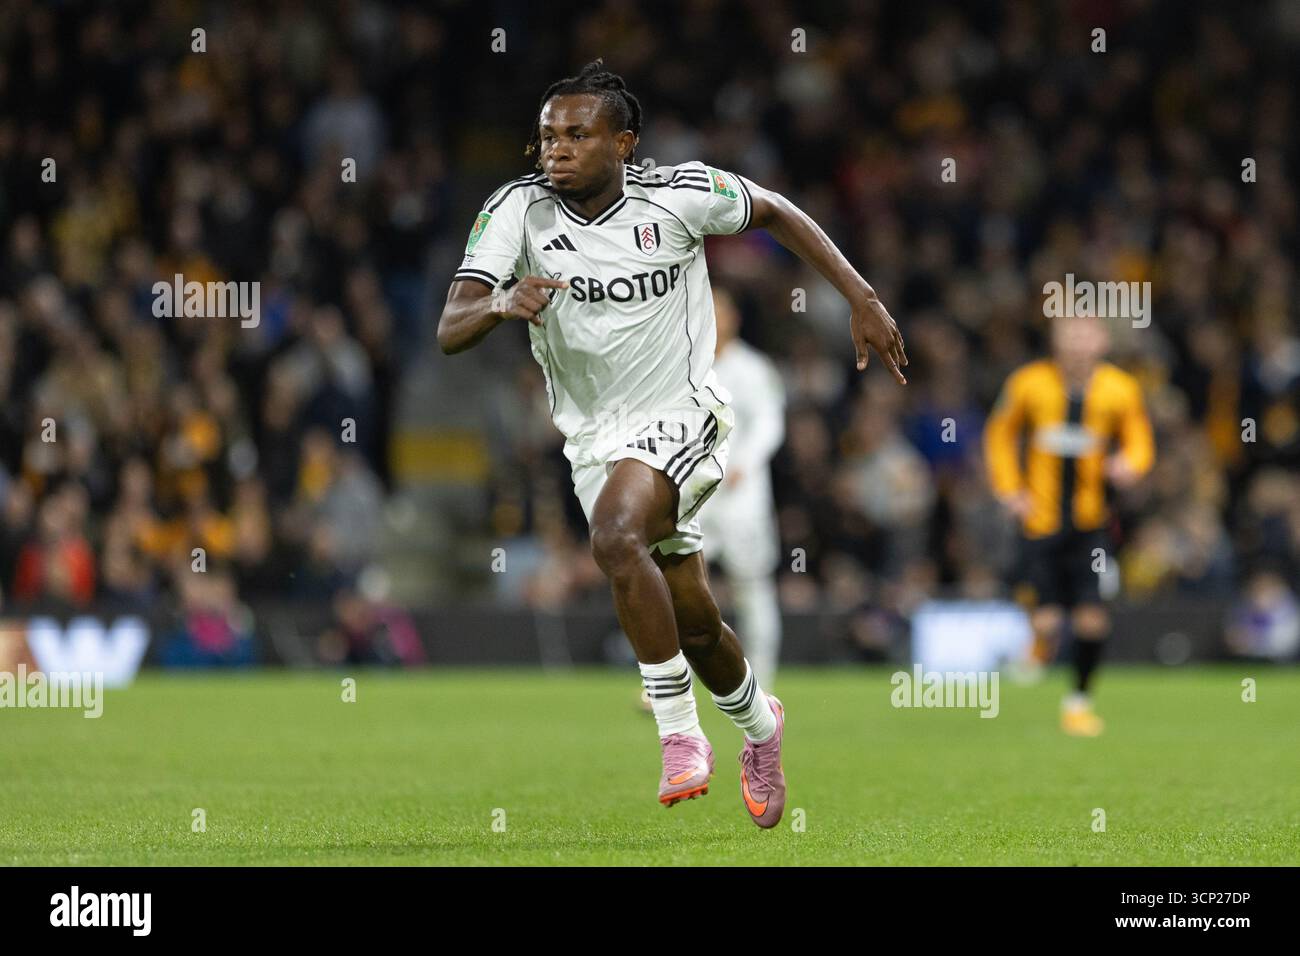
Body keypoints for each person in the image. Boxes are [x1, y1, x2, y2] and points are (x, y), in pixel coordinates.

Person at [438, 60, 907, 827]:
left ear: (623, 143)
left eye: (577, 134)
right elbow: (449, 329)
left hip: (686, 412)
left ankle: (680, 735)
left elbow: (777, 209)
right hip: (594, 437)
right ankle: (761, 727)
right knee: (694, 621)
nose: (555, 149)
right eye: (548, 135)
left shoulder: (680, 194)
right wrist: (498, 300)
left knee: (615, 535)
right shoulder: (514, 211)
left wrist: (861, 294)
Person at [983, 314, 1154, 736]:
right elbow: (999, 435)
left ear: (1101, 342)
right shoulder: (1028, 383)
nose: (1077, 344)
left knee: (1092, 618)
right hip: (1040, 522)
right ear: (1056, 342)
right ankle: (1040, 639)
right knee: (1047, 621)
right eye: (1069, 335)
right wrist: (1009, 490)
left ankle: (1079, 703)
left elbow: (1139, 439)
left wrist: (1129, 465)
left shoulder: (1121, 388)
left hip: (1091, 525)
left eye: (1085, 335)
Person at [697, 287, 786, 691]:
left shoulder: (753, 369)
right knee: (679, 587)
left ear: (734, 317)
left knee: (751, 588)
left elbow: (770, 425)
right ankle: (670, 684)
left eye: (719, 310)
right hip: (692, 496)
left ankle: (762, 685)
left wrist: (743, 465)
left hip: (740, 499)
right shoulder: (685, 364)